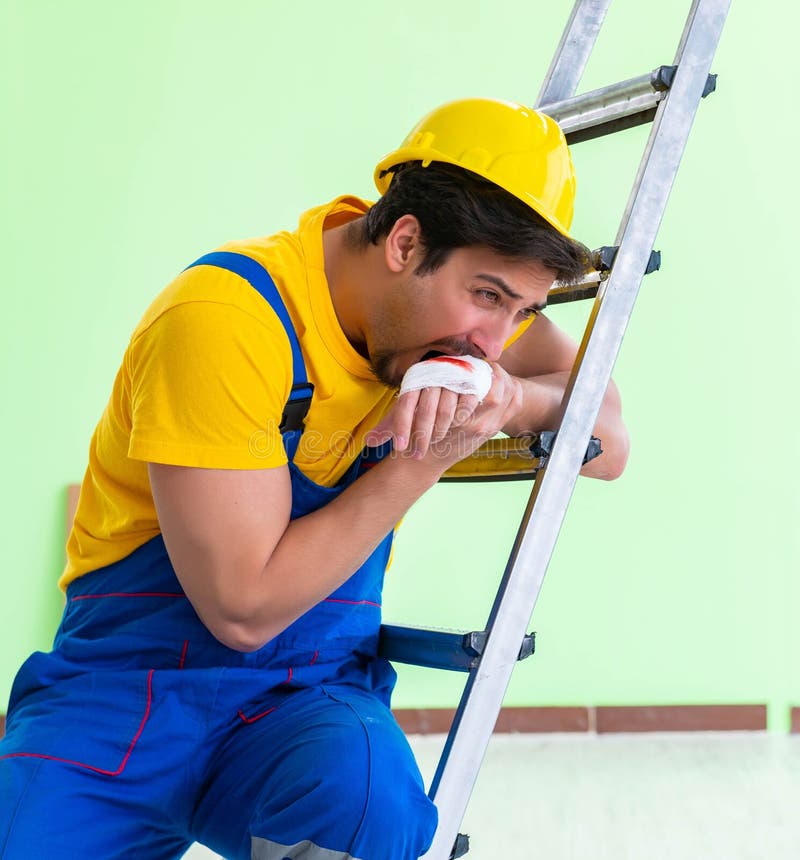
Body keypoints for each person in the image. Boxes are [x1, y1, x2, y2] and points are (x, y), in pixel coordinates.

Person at [0, 97, 629, 859]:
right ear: (404, 241)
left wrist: (514, 399)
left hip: (304, 698)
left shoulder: (475, 321)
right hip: (118, 693)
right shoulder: (228, 320)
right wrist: (425, 457)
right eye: (488, 296)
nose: (494, 340)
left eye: (522, 312)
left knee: (369, 803)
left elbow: (610, 438)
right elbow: (242, 608)